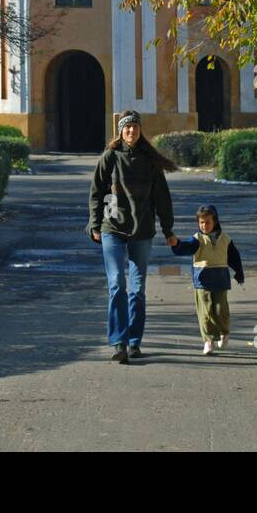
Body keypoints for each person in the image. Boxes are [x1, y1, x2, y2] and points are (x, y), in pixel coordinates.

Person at [87, 110, 179, 363]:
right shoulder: (110, 157)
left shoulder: (149, 161)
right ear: (120, 131)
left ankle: (134, 341)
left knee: (137, 290)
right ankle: (119, 342)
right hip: (112, 228)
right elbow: (96, 193)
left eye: (135, 127)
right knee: (117, 283)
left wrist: (168, 230)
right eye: (127, 127)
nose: (131, 131)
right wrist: (95, 224)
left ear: (140, 130)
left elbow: (162, 198)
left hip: (142, 229)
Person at [170, 203, 244, 354]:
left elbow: (235, 257)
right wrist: (176, 244)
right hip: (202, 281)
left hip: (221, 280)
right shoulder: (197, 240)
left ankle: (224, 333)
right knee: (205, 312)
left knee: (220, 310)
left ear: (215, 221)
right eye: (201, 222)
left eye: (208, 222)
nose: (204, 225)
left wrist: (239, 273)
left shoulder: (225, 239)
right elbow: (185, 247)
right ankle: (208, 341)